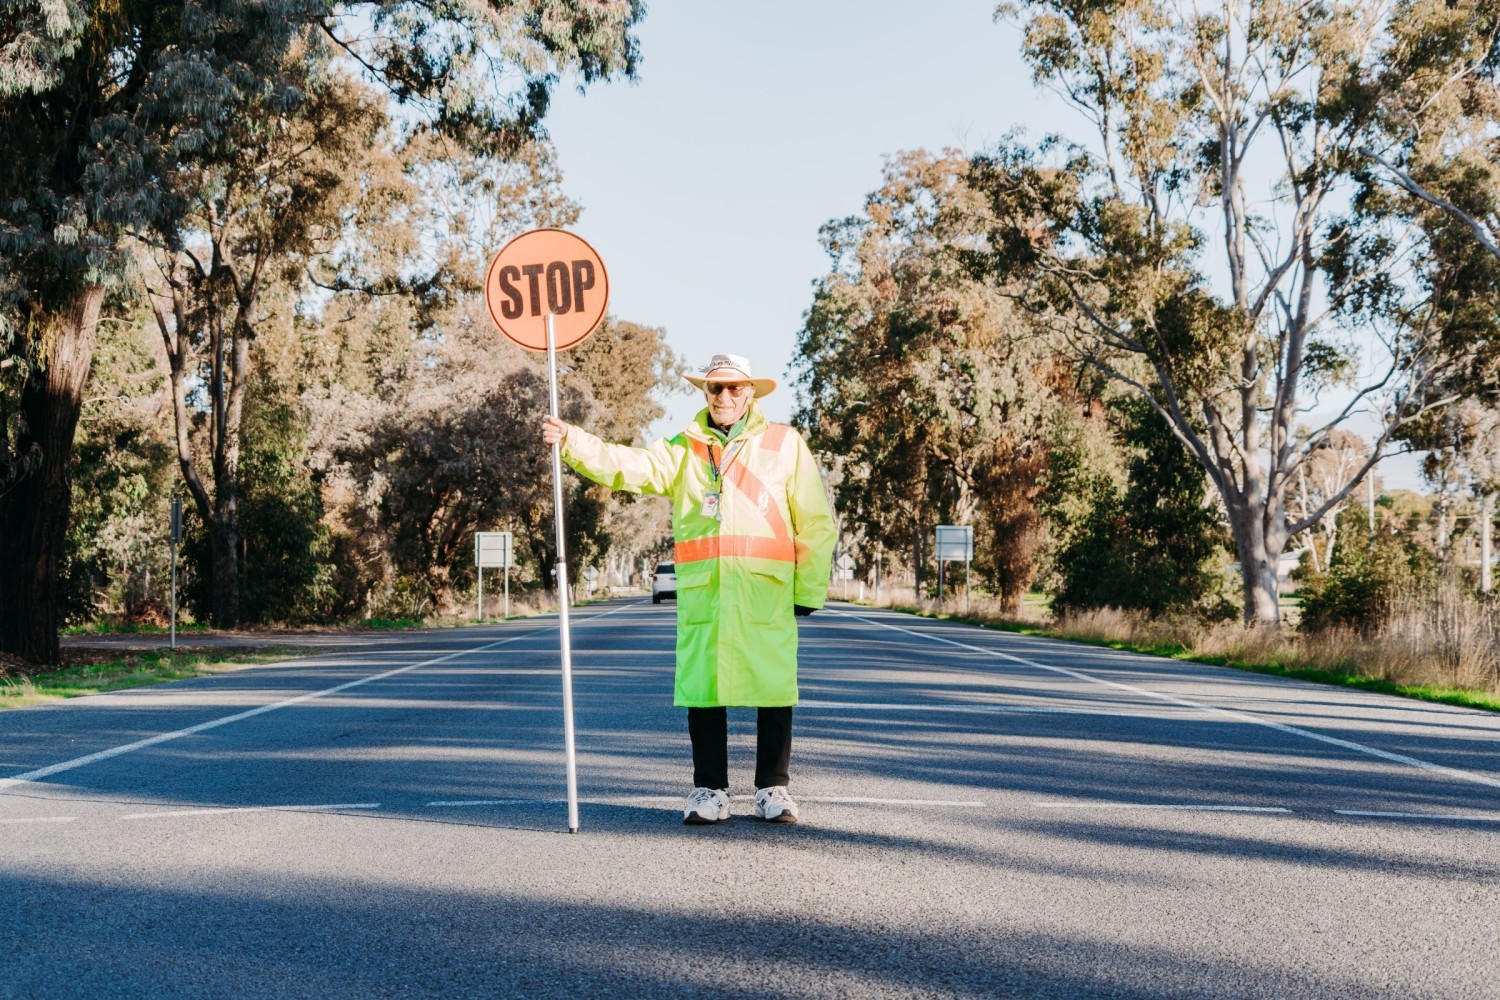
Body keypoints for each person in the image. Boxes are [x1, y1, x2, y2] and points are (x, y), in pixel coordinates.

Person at [542, 353, 836, 824]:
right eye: (715, 388)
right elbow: (626, 466)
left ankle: (773, 791)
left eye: (734, 388)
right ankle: (709, 791)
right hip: (706, 594)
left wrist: (808, 590)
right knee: (703, 689)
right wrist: (571, 440)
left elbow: (816, 522)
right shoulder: (684, 449)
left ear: (751, 393)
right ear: (706, 393)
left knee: (776, 687)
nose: (724, 396)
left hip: (767, 591)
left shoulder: (785, 445)